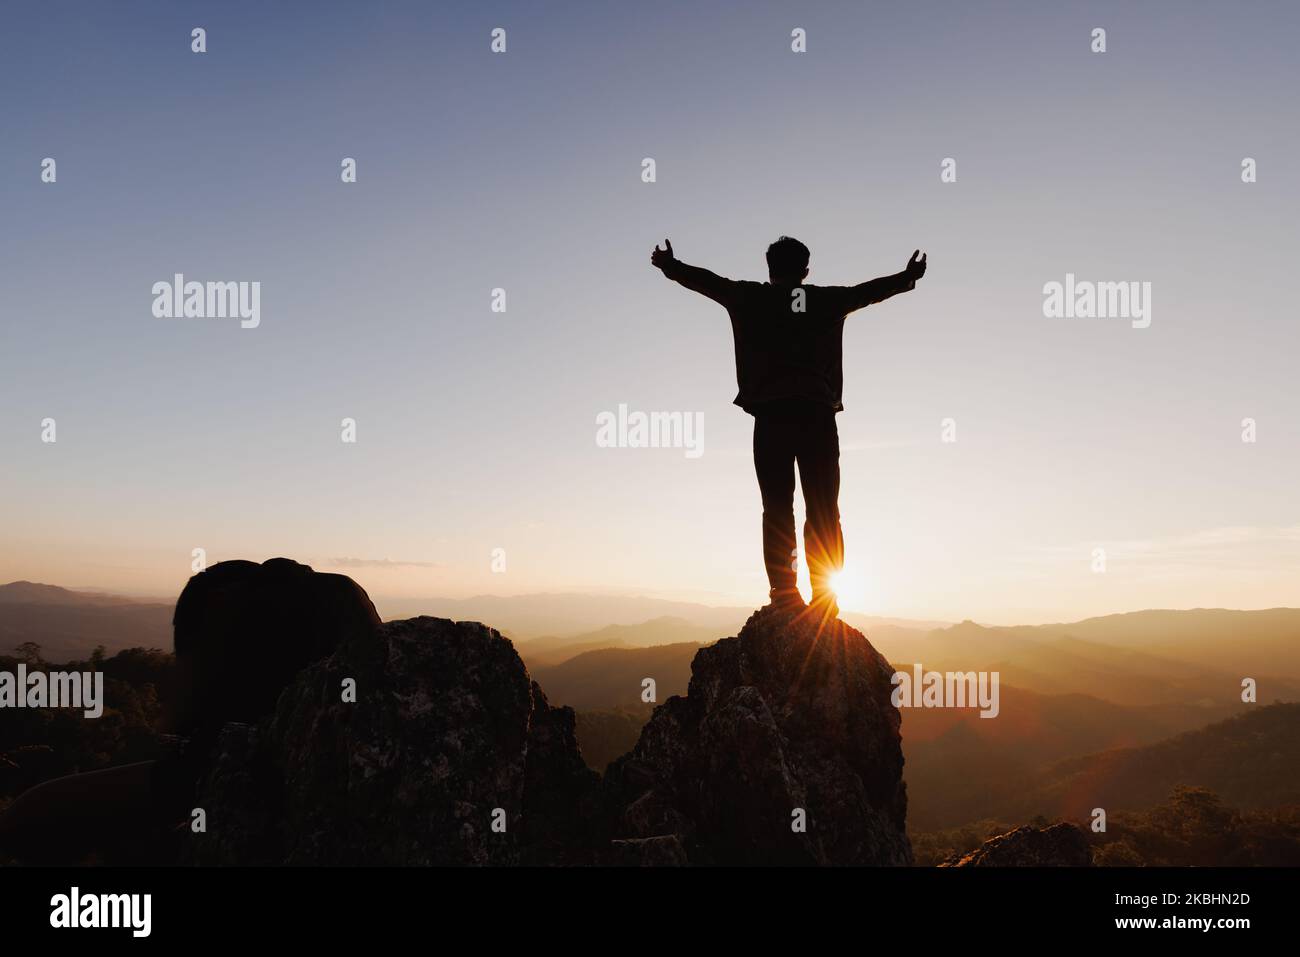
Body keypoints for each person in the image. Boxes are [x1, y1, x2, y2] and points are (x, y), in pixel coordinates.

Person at [651, 236, 926, 614]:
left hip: (771, 419)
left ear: (769, 268)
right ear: (806, 270)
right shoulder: (826, 301)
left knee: (778, 508)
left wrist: (671, 266)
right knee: (825, 509)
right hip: (817, 418)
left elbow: (707, 282)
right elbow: (870, 292)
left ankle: (784, 594)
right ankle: (825, 598)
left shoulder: (749, 298)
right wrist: (907, 276)